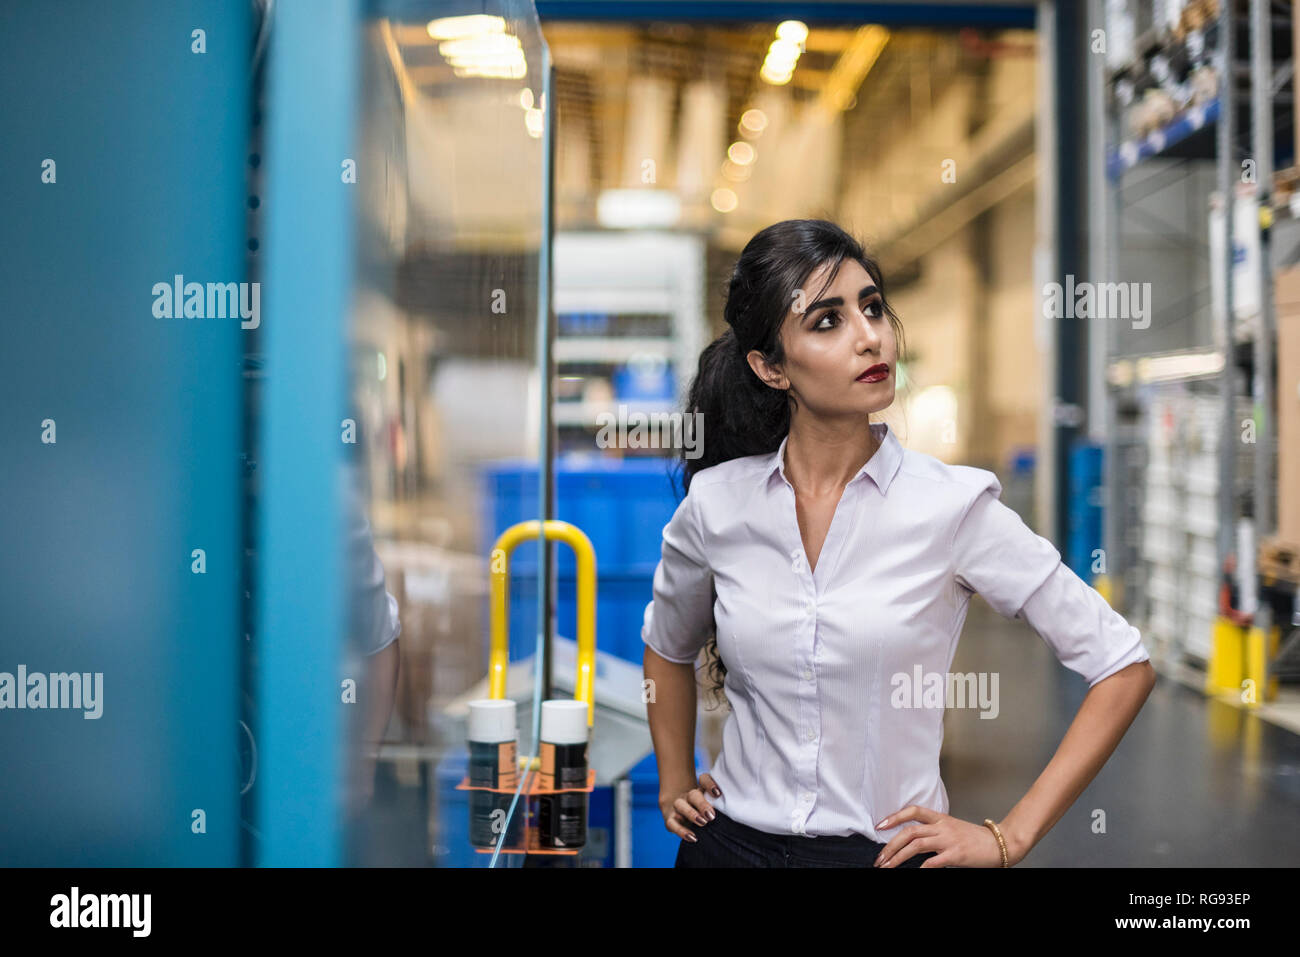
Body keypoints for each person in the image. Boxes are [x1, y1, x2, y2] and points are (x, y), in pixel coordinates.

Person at [641, 219, 1156, 868]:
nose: (870, 336)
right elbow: (666, 646)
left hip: (884, 855)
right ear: (771, 368)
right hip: (729, 847)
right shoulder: (717, 504)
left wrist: (1008, 836)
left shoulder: (952, 506)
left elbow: (1123, 663)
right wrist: (672, 779)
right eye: (827, 321)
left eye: (873, 307)